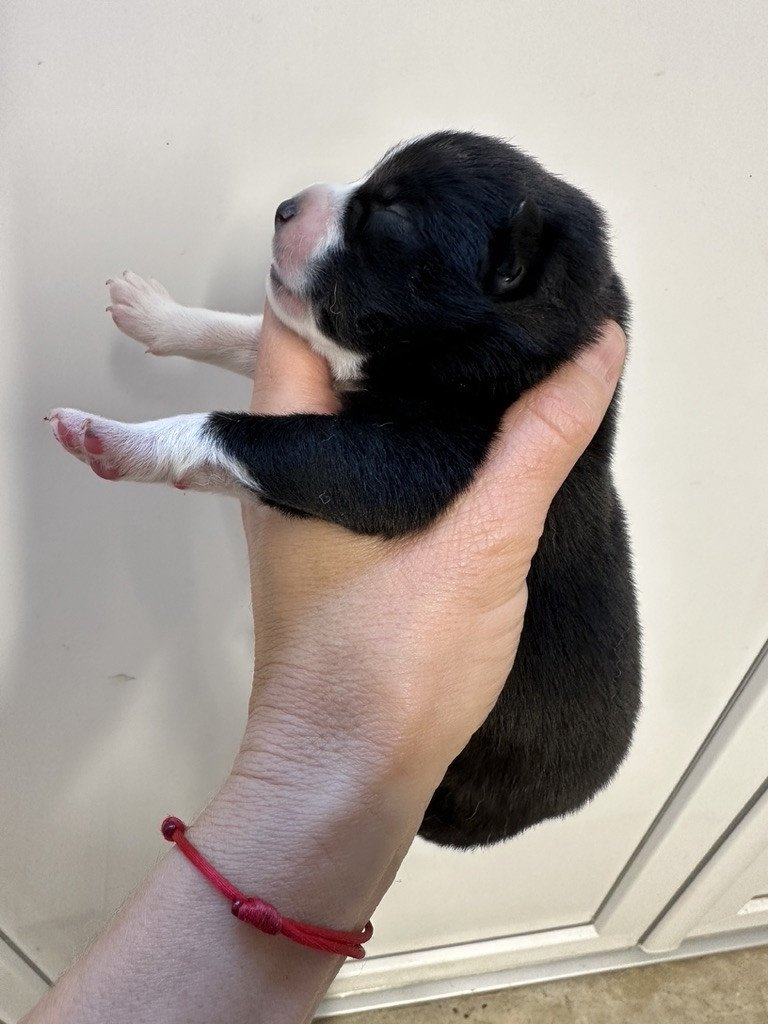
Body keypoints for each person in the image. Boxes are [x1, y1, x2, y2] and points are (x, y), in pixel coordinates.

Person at [23, 305, 627, 1024]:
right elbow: (334, 372)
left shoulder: (469, 406)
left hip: (513, 765)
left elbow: (345, 453)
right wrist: (182, 329)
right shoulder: (458, 355)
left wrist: (168, 434)